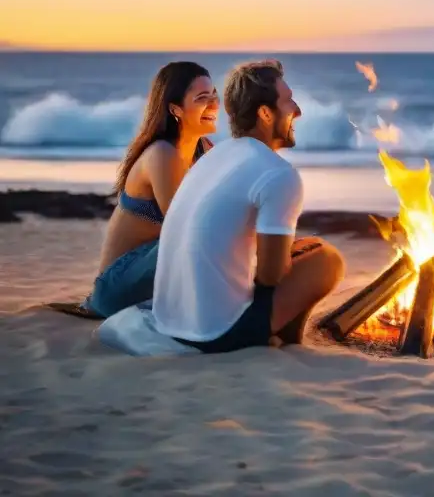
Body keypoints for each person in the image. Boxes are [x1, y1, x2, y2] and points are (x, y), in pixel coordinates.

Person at [152, 59, 345, 353]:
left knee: (307, 246)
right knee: (327, 260)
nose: (298, 110)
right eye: (289, 101)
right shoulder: (279, 174)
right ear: (266, 114)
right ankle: (280, 336)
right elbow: (270, 276)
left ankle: (275, 332)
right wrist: (282, 263)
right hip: (216, 335)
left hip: (169, 322)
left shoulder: (214, 158)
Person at [84, 61, 218, 318]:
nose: (214, 104)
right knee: (200, 238)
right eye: (203, 98)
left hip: (155, 277)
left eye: (214, 96)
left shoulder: (204, 150)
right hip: (115, 290)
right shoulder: (162, 154)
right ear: (175, 108)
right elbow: (186, 227)